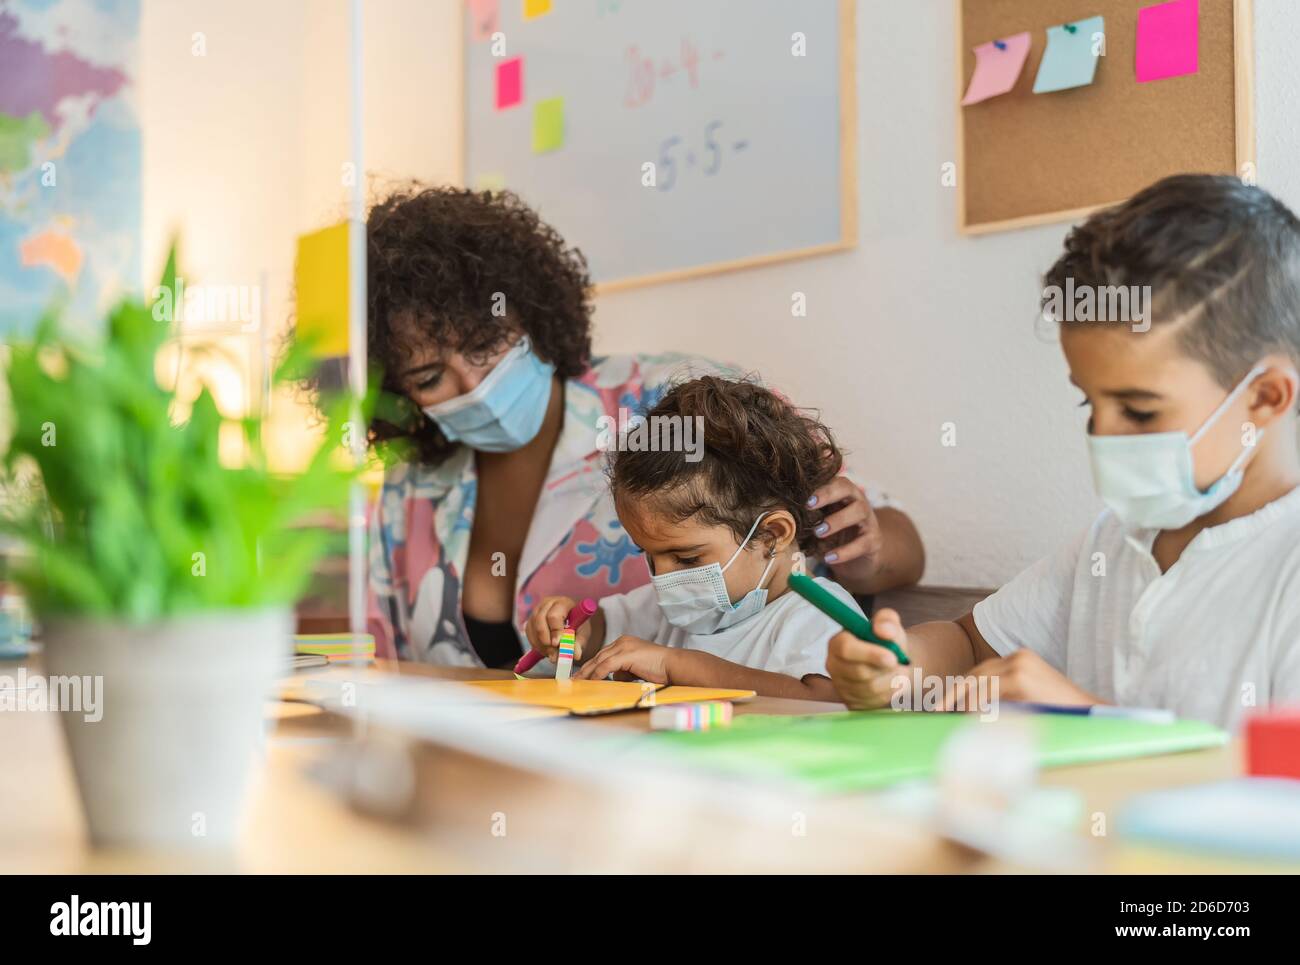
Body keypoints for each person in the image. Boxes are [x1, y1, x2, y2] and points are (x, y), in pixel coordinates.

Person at [364, 185, 924, 667]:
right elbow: (384, 667)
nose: (473, 386)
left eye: (486, 346)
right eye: (431, 374)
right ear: (396, 391)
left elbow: (891, 542)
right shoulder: (410, 486)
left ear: (534, 312)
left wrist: (868, 552)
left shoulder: (673, 406)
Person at [827, 175, 1300, 729]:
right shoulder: (1114, 541)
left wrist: (1091, 720)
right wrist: (902, 667)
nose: (1102, 435)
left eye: (1141, 412)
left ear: (1266, 396)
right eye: (1088, 406)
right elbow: (968, 642)